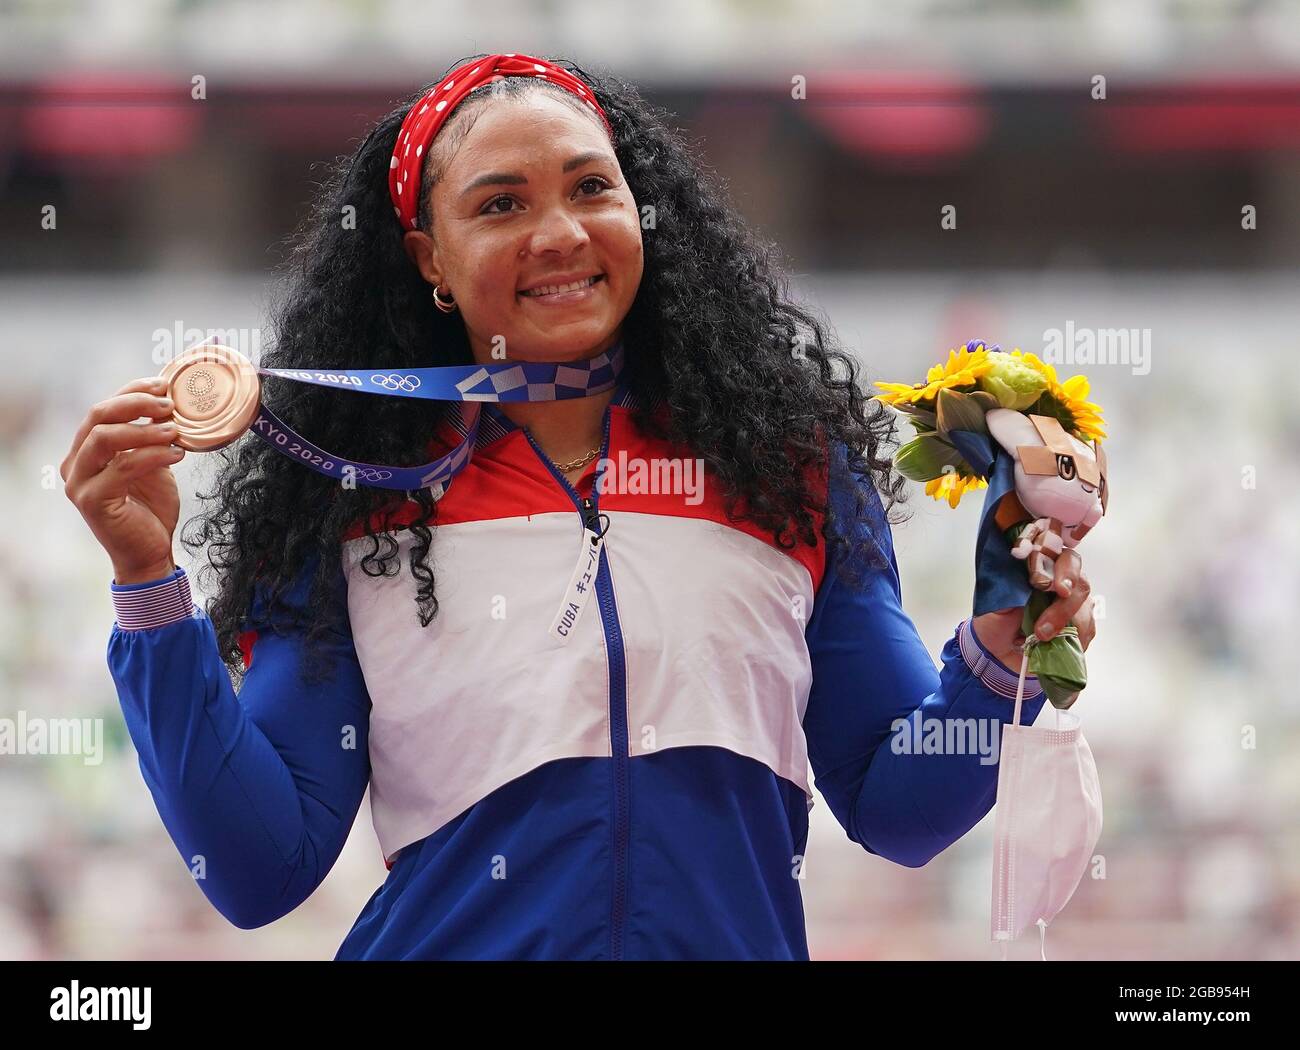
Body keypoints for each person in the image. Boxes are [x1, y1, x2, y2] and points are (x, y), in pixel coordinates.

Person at [61, 53, 1097, 960]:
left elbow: (898, 807)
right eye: (500, 204)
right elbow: (258, 869)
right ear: (428, 256)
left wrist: (1000, 656)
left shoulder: (788, 465)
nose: (558, 233)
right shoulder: (354, 488)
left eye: (590, 189)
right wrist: (147, 583)